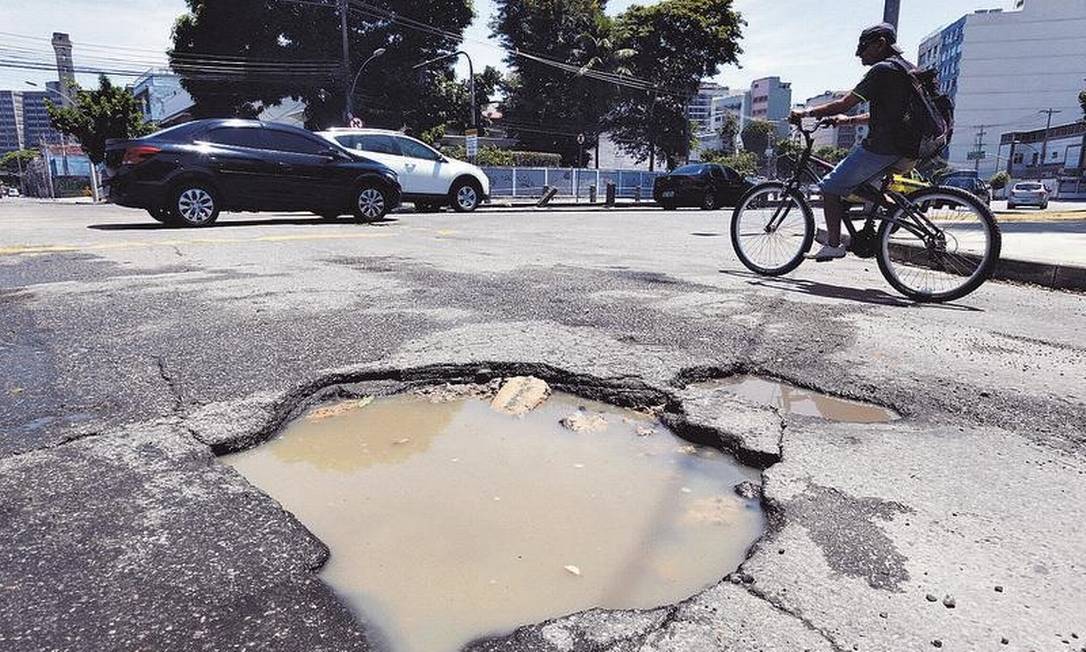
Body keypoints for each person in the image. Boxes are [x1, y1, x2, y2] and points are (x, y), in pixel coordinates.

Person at [789, 22, 917, 261]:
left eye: (863, 46)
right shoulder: (908, 70)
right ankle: (895, 209)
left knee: (829, 186)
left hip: (883, 147)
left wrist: (805, 113)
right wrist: (846, 122)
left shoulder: (882, 70)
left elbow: (843, 103)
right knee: (852, 182)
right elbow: (886, 115)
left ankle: (834, 245)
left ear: (880, 44)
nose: (859, 53)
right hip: (908, 148)